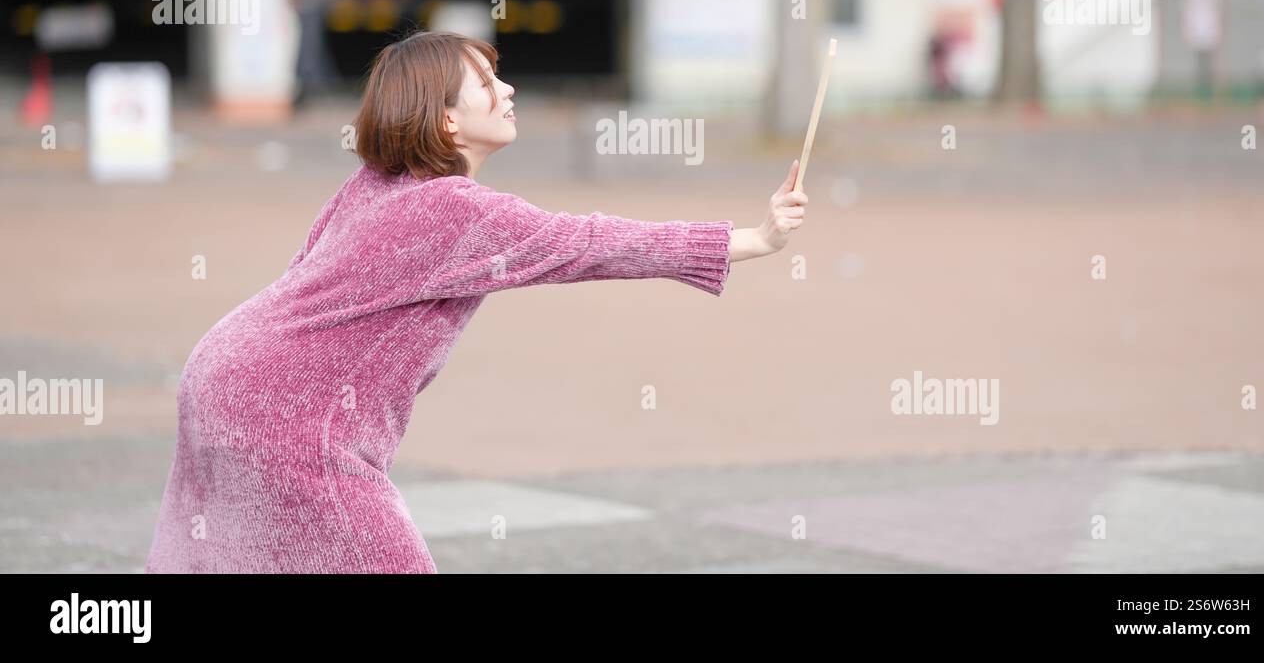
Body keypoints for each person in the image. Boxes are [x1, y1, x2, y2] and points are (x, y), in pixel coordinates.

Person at [144, 29, 809, 573]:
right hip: (288, 418)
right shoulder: (452, 209)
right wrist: (752, 238)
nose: (509, 89)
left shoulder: (375, 183)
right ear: (446, 118)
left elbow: (302, 279)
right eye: (488, 84)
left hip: (220, 376)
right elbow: (587, 242)